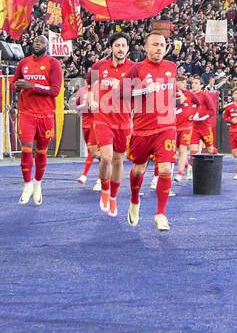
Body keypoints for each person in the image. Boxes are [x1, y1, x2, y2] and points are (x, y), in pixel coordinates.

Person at [124, 30, 177, 231]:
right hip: (141, 129)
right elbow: (122, 92)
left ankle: (160, 214)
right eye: (154, 45)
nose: (158, 48)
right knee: (138, 170)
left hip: (166, 127)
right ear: (145, 47)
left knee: (165, 169)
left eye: (162, 45)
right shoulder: (137, 69)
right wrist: (142, 91)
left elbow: (169, 91)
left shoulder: (171, 67)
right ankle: (135, 200)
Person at [13, 33, 63, 205]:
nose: (37, 44)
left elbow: (55, 90)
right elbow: (14, 83)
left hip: (46, 114)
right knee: (26, 149)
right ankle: (27, 184)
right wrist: (17, 86)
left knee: (41, 152)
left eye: (41, 42)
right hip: (27, 113)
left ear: (47, 46)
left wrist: (32, 86)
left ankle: (38, 183)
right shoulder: (23, 62)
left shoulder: (53, 64)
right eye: (35, 41)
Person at [87, 34, 132, 216]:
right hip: (103, 118)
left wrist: (119, 85)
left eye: (123, 45)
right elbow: (90, 86)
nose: (120, 48)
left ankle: (113, 196)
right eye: (117, 45)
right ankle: (105, 190)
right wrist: (91, 100)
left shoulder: (134, 69)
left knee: (118, 160)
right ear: (111, 48)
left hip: (123, 121)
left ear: (127, 48)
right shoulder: (100, 67)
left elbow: (137, 93)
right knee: (106, 157)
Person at [71, 79, 101, 191]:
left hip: (96, 124)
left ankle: (85, 175)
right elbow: (75, 106)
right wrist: (83, 107)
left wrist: (95, 106)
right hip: (85, 124)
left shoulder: (99, 89)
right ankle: (102, 175)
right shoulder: (82, 90)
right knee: (92, 152)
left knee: (93, 151)